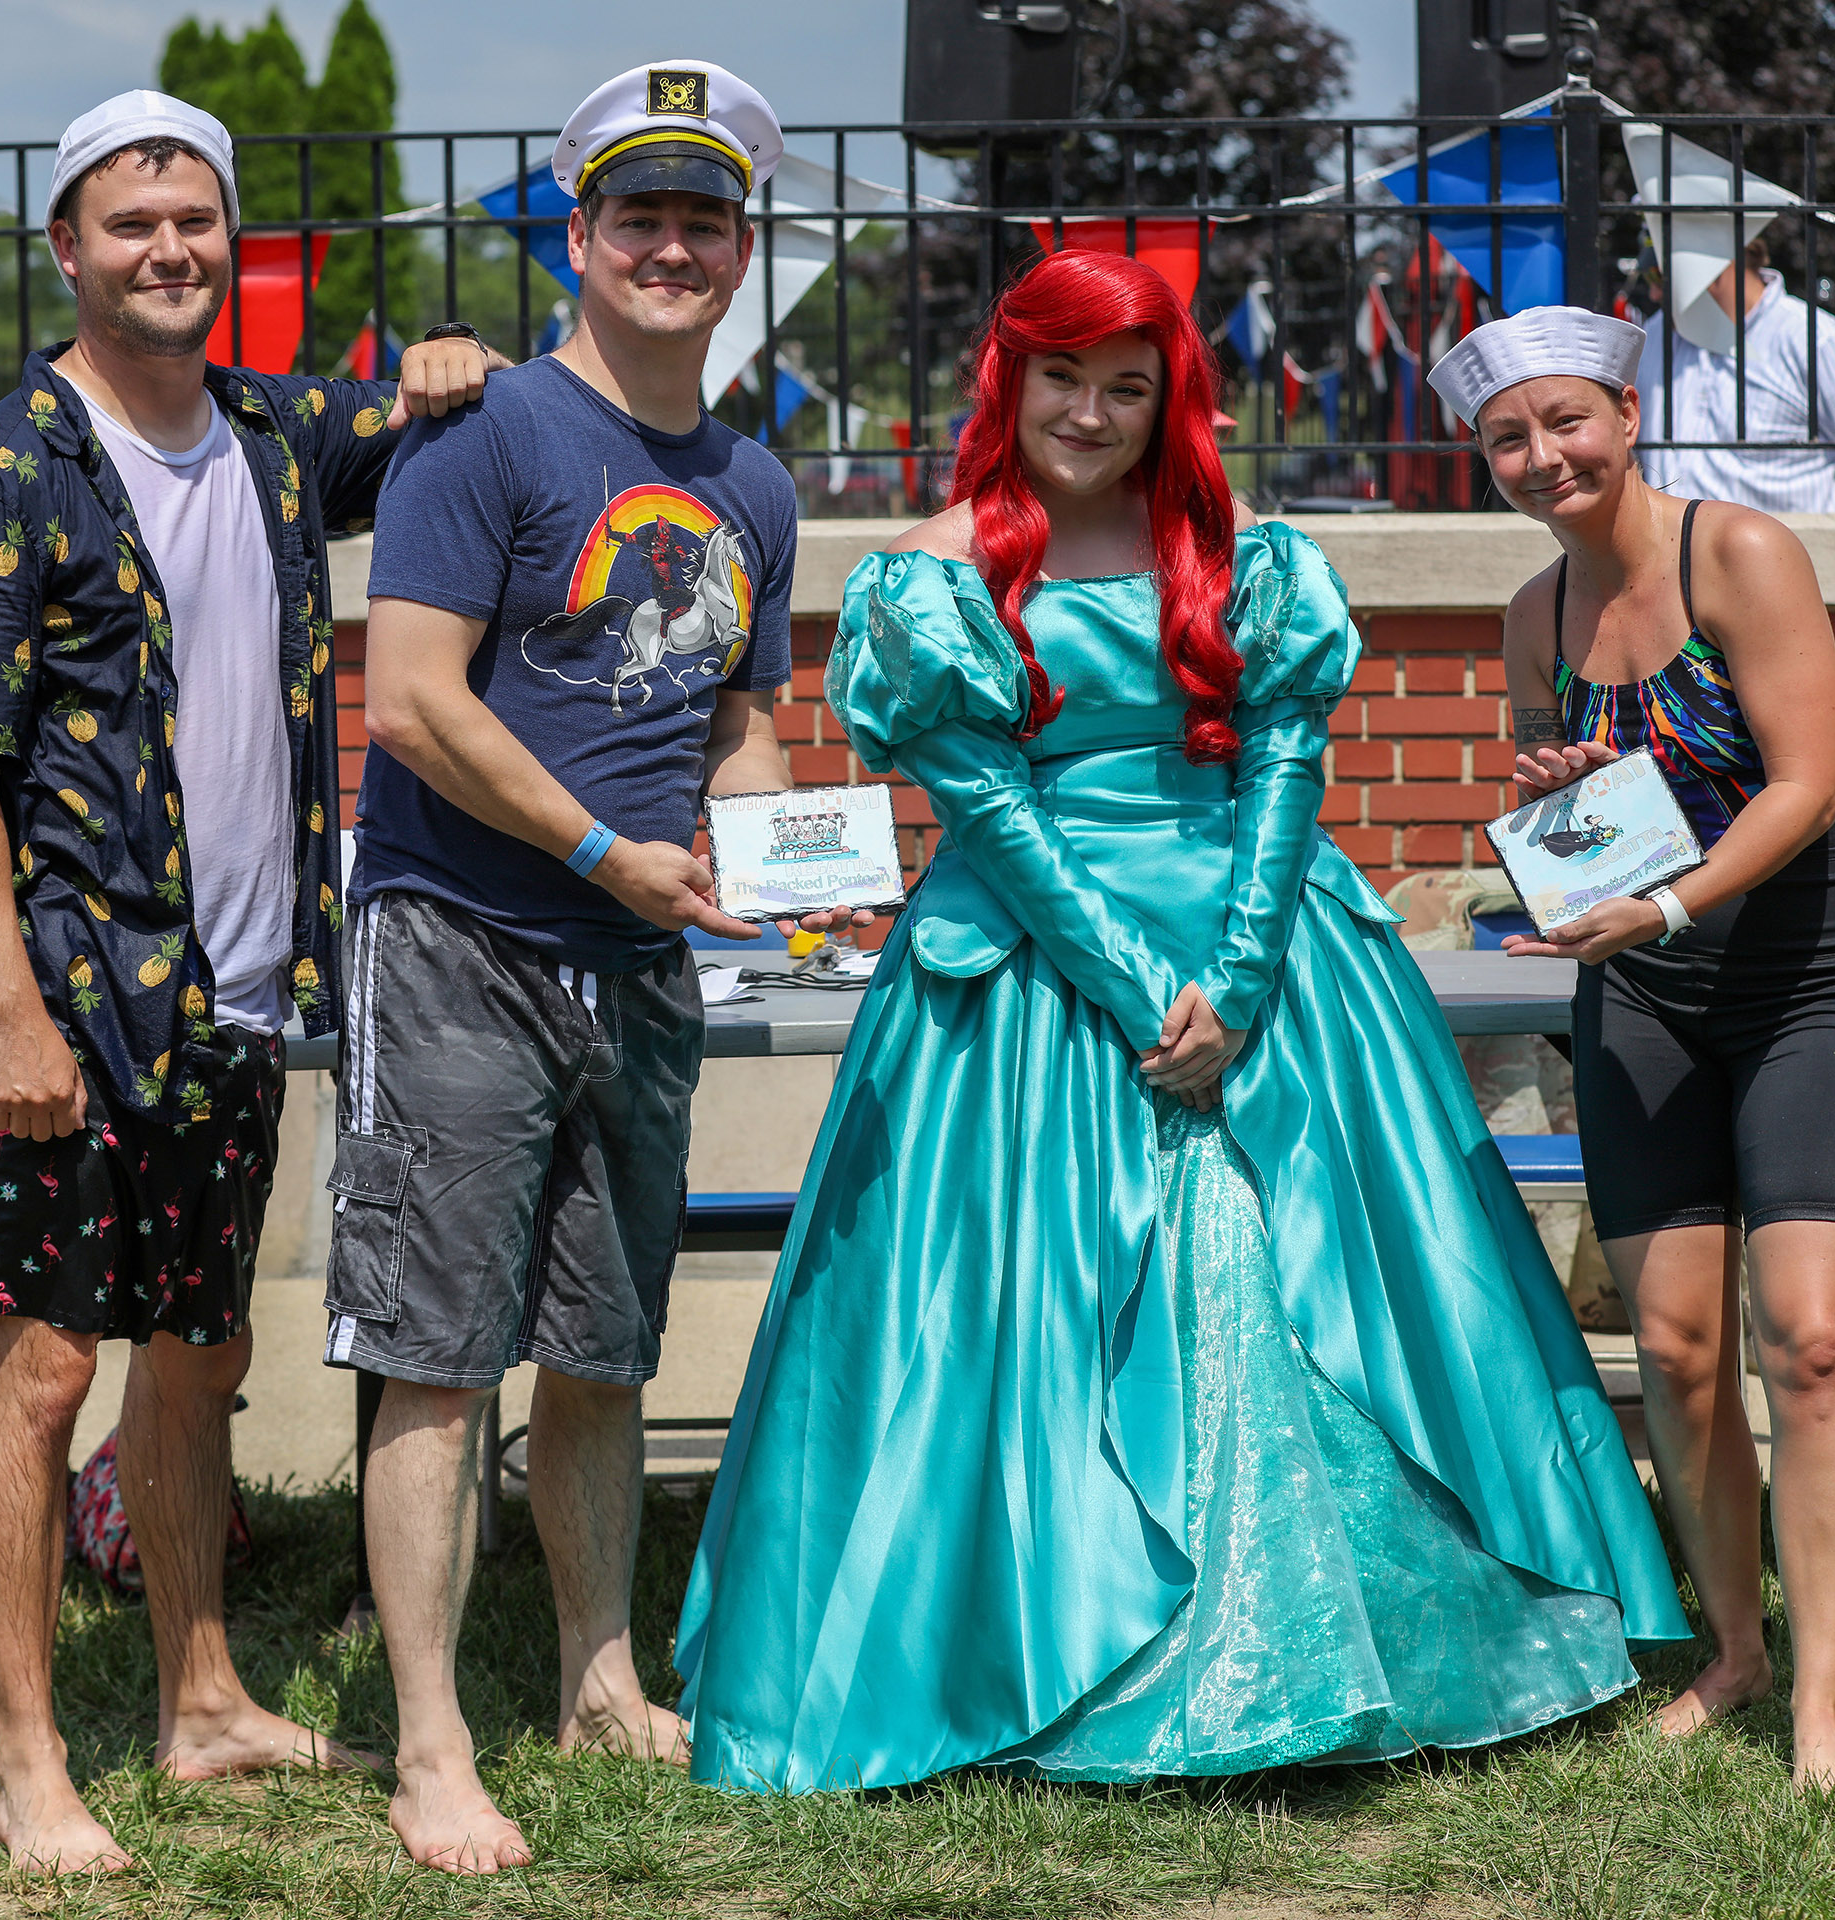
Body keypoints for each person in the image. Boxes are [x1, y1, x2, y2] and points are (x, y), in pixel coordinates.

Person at [672, 250, 1690, 1796]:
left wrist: (1247, 973)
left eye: (1128, 386)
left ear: (1173, 402)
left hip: (1265, 954)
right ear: (1005, 381)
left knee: (1316, 1280)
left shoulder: (1250, 558)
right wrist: (1152, 997)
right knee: (1029, 1312)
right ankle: (1060, 1659)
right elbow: (990, 812)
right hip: (1036, 971)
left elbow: (1286, 766)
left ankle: (1381, 1649)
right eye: (1063, 376)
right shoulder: (933, 574)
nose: (1091, 411)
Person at [0, 91, 488, 1874]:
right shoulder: (0, 475)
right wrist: (6, 1014)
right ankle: (25, 1765)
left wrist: (449, 360)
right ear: (67, 247)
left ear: (232, 245)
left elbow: (441, 413)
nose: (169, 250)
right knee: (46, 1367)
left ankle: (202, 1694)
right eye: (130, 224)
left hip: (236, 991)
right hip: (66, 1004)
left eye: (196, 221)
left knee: (199, 1353)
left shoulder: (277, 434)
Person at [330, 60, 857, 1875]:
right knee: (435, 1353)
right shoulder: (482, 440)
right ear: (583, 235)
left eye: (704, 218)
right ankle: (425, 1741)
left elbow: (732, 724)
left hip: (637, 970)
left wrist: (786, 868)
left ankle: (599, 1671)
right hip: (463, 939)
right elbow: (408, 701)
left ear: (742, 248)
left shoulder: (756, 482)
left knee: (606, 1349)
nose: (671, 245)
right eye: (639, 213)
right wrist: (596, 853)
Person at [1433, 305, 1835, 1799]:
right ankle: (1735, 1650)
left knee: (1808, 1340)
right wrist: (1569, 793)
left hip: (1804, 975)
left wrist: (1664, 898)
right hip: (1639, 992)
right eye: (1509, 438)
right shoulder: (1531, 617)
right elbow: (1567, 831)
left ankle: (1819, 1714)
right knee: (1685, 1356)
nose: (1541, 457)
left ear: (1627, 417)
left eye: (1565, 422)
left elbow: (1807, 787)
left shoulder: (1743, 555)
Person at [1638, 238, 1835, 512]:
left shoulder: (1817, 342)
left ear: (1712, 267)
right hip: (1677, 559)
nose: (1654, 295)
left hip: (1801, 559)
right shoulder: (1651, 338)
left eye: (1659, 277)